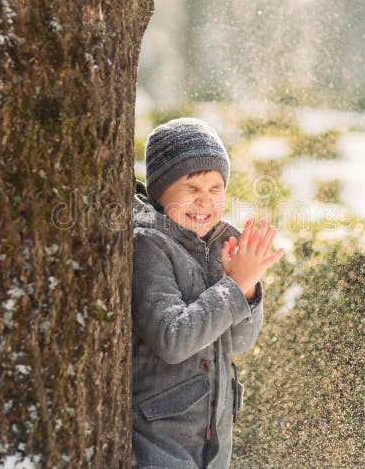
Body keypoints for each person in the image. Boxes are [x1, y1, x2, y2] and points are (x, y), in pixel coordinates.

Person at [132, 117, 284, 468]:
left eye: (215, 188)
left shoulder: (218, 244)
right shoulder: (150, 245)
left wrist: (246, 288)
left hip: (212, 442)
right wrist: (233, 288)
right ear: (160, 191)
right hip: (159, 441)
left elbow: (240, 343)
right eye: (191, 188)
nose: (205, 202)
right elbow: (173, 340)